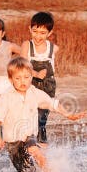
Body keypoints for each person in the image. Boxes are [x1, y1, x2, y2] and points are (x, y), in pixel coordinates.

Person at [0, 57, 86, 172]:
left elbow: (53, 104)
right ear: (11, 79)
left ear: (31, 77)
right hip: (12, 141)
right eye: (18, 78)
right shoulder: (6, 97)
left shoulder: (34, 93)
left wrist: (69, 115)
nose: (22, 82)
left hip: (29, 135)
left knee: (35, 151)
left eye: (26, 77)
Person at [20, 11, 58, 144]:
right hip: (30, 86)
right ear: (29, 29)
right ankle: (26, 147)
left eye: (43, 33)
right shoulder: (27, 45)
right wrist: (35, 74)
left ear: (50, 33)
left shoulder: (53, 49)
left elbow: (52, 71)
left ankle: (42, 152)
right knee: (27, 119)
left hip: (47, 88)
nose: (38, 36)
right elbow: (23, 66)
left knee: (41, 121)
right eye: (35, 31)